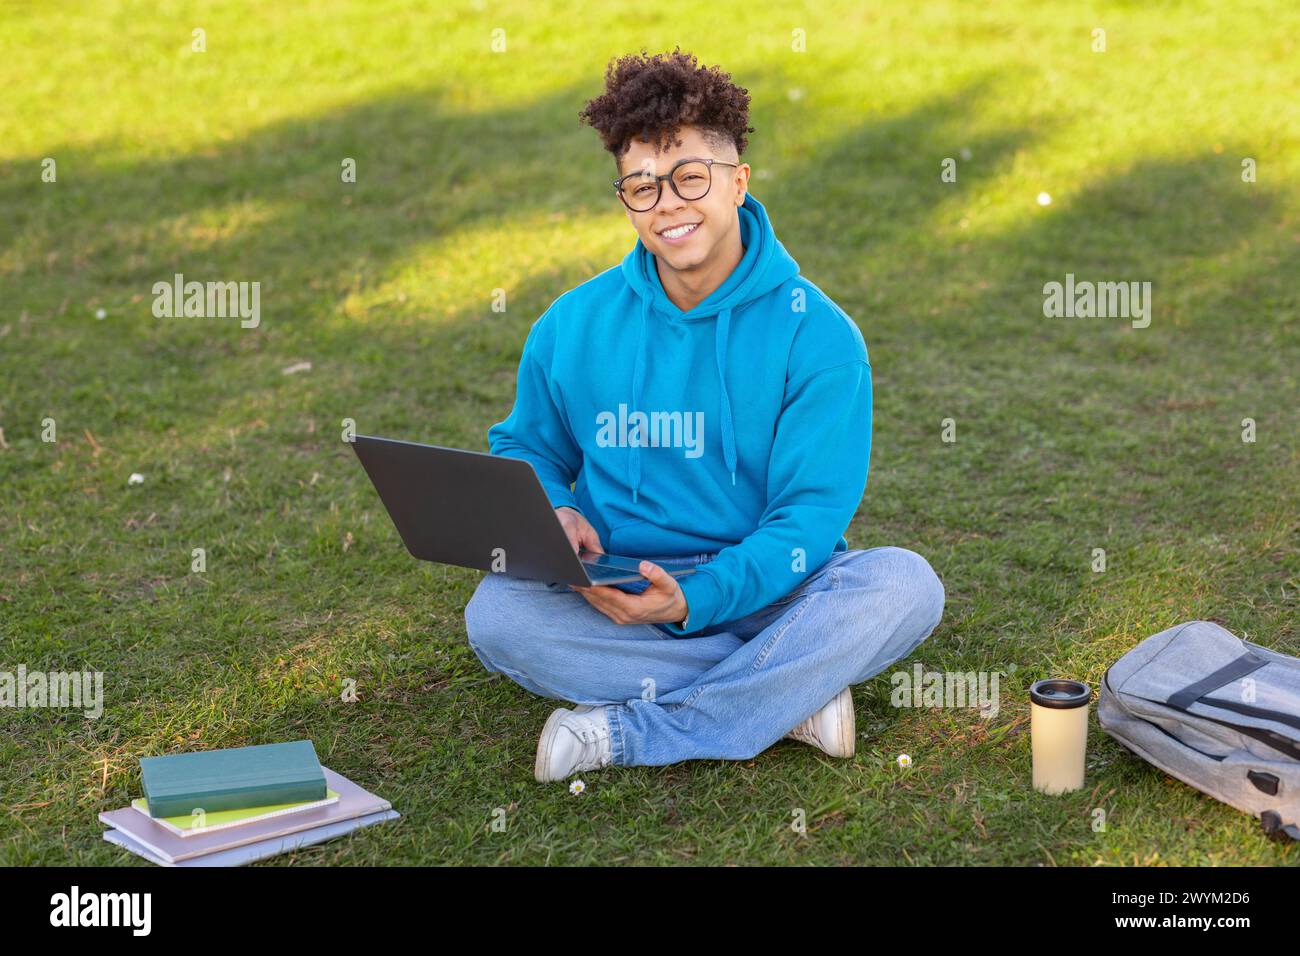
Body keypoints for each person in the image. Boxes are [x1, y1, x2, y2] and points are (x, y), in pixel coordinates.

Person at [465, 48, 944, 782]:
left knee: (904, 586)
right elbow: (529, 443)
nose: (669, 206)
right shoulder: (572, 322)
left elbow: (808, 519)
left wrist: (697, 596)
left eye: (691, 178)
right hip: (614, 583)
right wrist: (554, 507)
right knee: (498, 618)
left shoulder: (818, 336)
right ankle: (789, 691)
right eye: (642, 187)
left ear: (738, 182)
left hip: (770, 588)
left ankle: (634, 732)